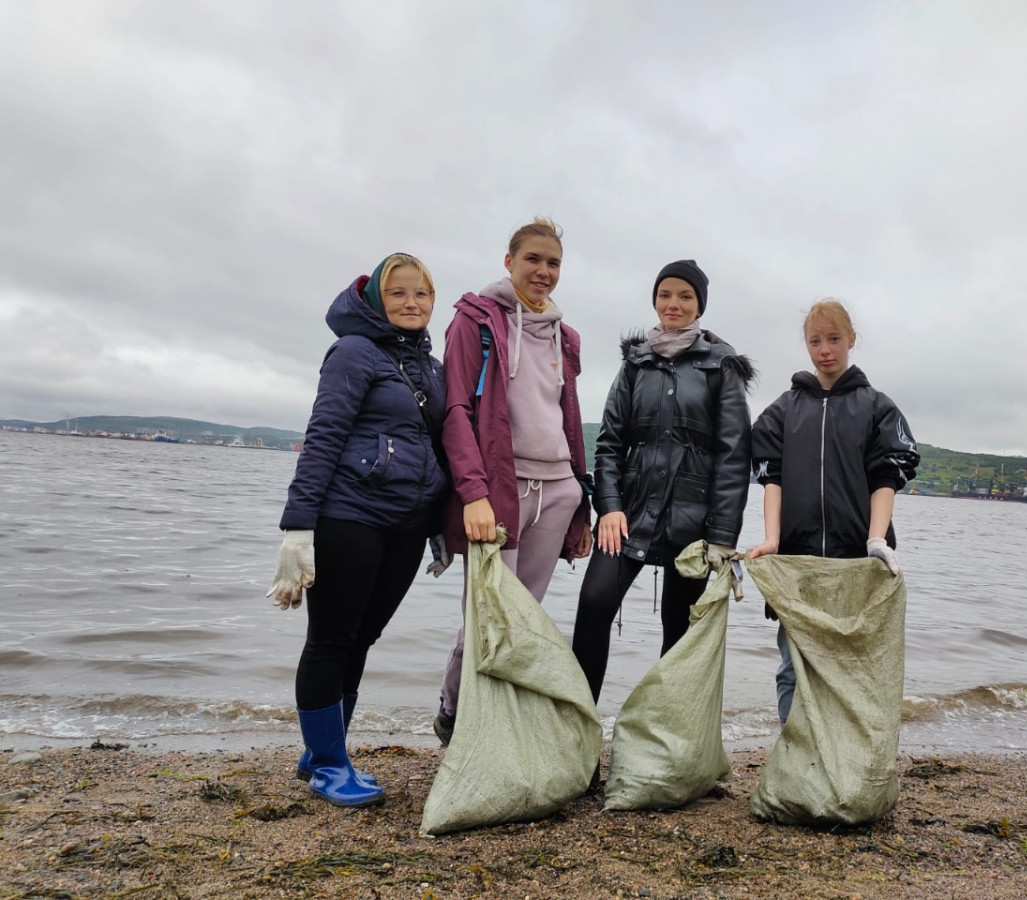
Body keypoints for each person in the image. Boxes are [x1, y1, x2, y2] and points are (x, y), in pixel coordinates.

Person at [266, 252, 450, 807]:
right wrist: (298, 527)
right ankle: (327, 764)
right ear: (376, 300)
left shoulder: (431, 366)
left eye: (421, 294)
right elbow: (322, 437)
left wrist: (440, 524)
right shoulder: (353, 352)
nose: (411, 303)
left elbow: (439, 447)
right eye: (398, 294)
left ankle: (322, 746)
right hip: (349, 515)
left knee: (363, 637)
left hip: (408, 525)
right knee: (331, 640)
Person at [434, 218, 592, 744]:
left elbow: (568, 417)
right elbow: (455, 409)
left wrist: (581, 504)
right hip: (498, 489)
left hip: (557, 490)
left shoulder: (565, 337)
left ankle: (499, 724)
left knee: (524, 618)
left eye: (553, 263)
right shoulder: (475, 322)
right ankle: (456, 716)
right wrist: (473, 494)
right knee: (487, 616)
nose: (543, 272)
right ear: (509, 261)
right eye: (533, 260)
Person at [571, 259, 754, 705]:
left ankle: (663, 751)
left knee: (679, 629)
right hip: (629, 513)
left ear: (699, 306)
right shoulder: (635, 362)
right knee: (594, 604)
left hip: (694, 524)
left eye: (685, 296)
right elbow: (610, 443)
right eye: (665, 294)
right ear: (655, 300)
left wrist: (722, 535)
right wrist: (608, 506)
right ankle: (577, 738)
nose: (674, 303)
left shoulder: (722, 364)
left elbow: (734, 455)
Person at [746, 298, 919, 725]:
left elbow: (887, 476)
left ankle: (845, 760)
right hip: (798, 560)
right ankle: (794, 756)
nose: (825, 349)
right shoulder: (785, 409)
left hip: (855, 560)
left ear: (851, 340)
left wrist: (875, 538)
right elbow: (772, 478)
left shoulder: (876, 407)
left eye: (834, 339)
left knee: (850, 666)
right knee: (793, 664)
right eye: (815, 340)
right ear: (806, 345)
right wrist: (772, 539)